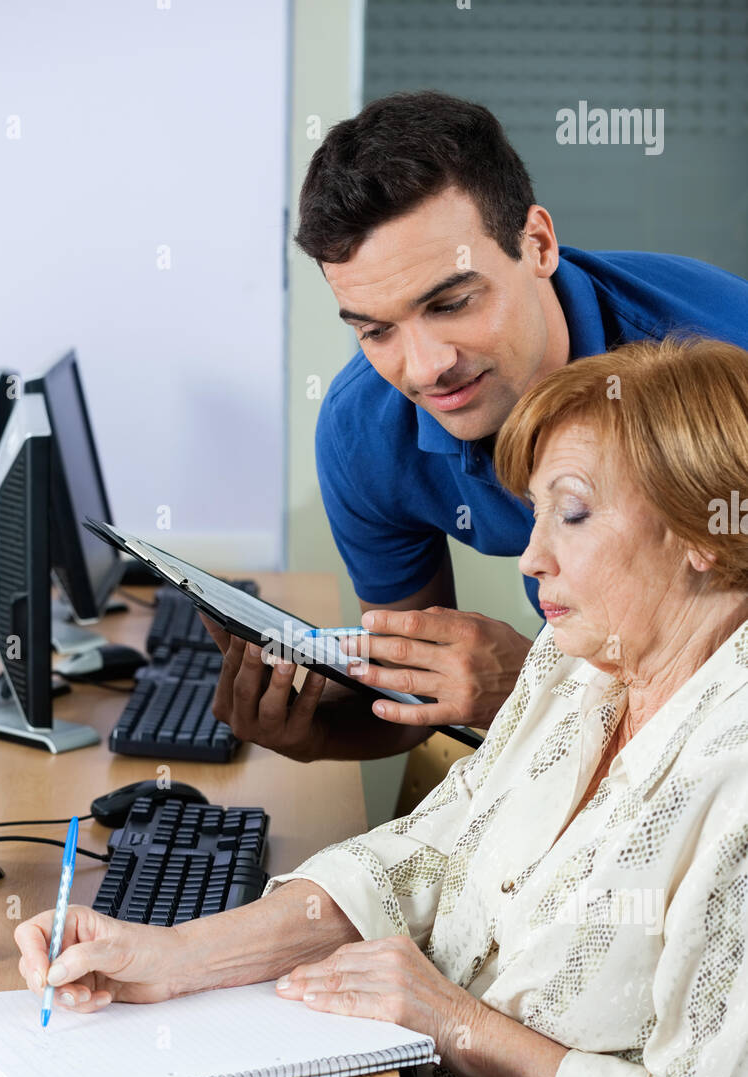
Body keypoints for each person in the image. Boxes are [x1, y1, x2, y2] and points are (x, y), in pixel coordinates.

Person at [16, 335, 748, 1077]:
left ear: (706, 530)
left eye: (572, 515)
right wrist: (168, 956)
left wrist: (449, 1020)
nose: (530, 558)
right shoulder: (579, 669)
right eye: (535, 515)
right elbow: (415, 862)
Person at [200, 90, 748, 764]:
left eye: (453, 303)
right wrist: (313, 733)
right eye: (376, 330)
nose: (427, 369)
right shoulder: (366, 431)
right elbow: (415, 700)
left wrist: (533, 683)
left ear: (538, 244)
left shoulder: (721, 366)